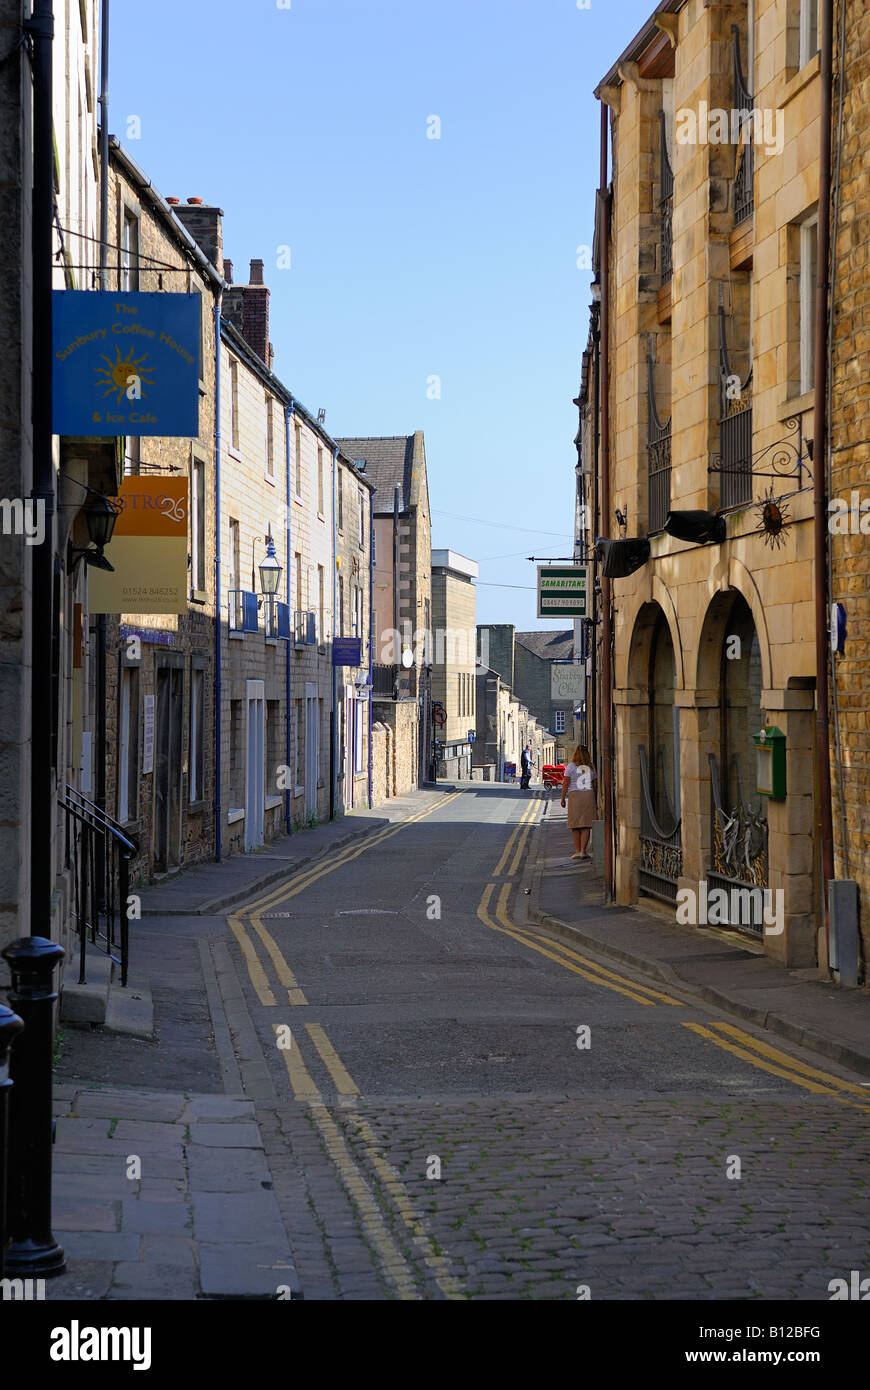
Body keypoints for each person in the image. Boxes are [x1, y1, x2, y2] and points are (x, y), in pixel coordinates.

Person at [560, 744, 597, 860]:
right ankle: (583, 851)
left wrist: (562, 798)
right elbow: (595, 784)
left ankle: (577, 851)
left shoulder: (571, 766)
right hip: (588, 795)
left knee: (575, 825)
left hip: (574, 795)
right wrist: (594, 797)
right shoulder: (591, 767)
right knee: (586, 824)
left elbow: (566, 783)